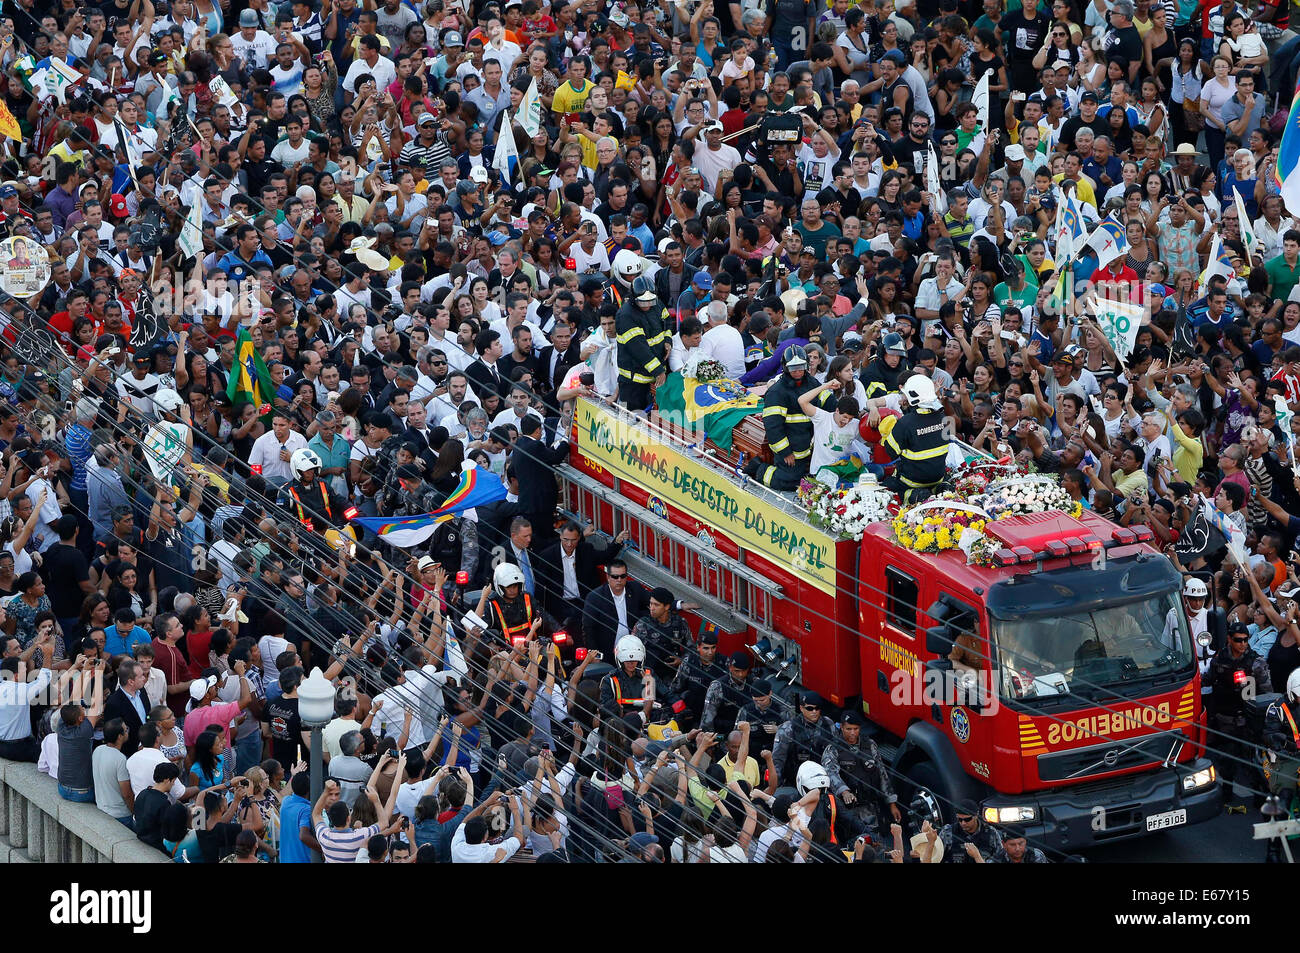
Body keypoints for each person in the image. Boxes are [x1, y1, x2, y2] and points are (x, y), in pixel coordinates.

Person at [744, 346, 825, 492]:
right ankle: (758, 469)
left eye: (801, 366)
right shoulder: (777, 391)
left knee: (805, 480)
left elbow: (826, 401)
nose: (797, 371)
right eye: (793, 367)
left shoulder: (812, 383)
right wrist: (785, 452)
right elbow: (773, 426)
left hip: (807, 446)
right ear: (785, 367)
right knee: (788, 483)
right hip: (790, 449)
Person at [882, 374, 952, 503]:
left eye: (904, 395)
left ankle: (911, 495)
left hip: (912, 481)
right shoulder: (943, 417)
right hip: (938, 477)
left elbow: (890, 452)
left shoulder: (905, 423)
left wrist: (887, 431)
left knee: (887, 485)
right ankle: (939, 489)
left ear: (911, 397)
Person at [615, 275, 669, 411]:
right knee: (630, 421)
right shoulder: (626, 316)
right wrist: (658, 370)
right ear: (633, 299)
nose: (647, 305)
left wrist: (668, 341)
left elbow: (667, 320)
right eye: (643, 303)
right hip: (633, 383)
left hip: (654, 379)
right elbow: (639, 349)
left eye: (650, 301)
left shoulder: (655, 304)